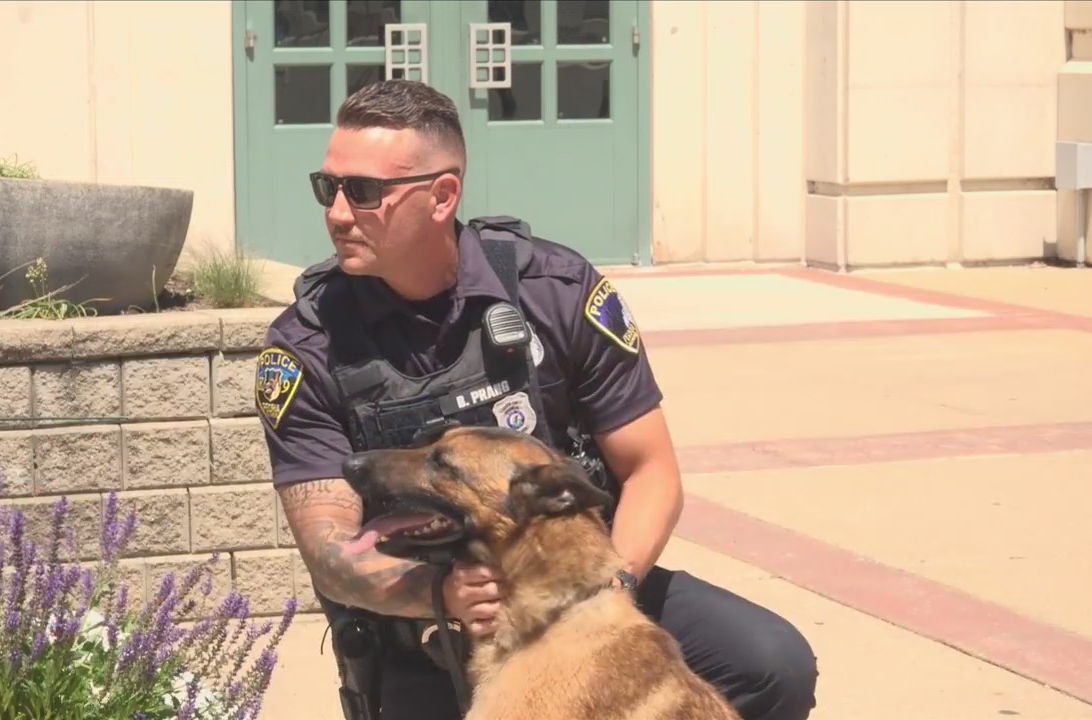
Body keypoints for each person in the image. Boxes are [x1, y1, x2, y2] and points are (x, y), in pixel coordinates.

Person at [256, 79, 818, 720]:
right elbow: (330, 550)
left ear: (443, 195)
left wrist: (607, 590)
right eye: (328, 188)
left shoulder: (553, 291)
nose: (336, 213)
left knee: (771, 664)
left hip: (581, 591)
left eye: (363, 193)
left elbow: (650, 470)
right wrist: (438, 591)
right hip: (424, 628)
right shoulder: (307, 345)